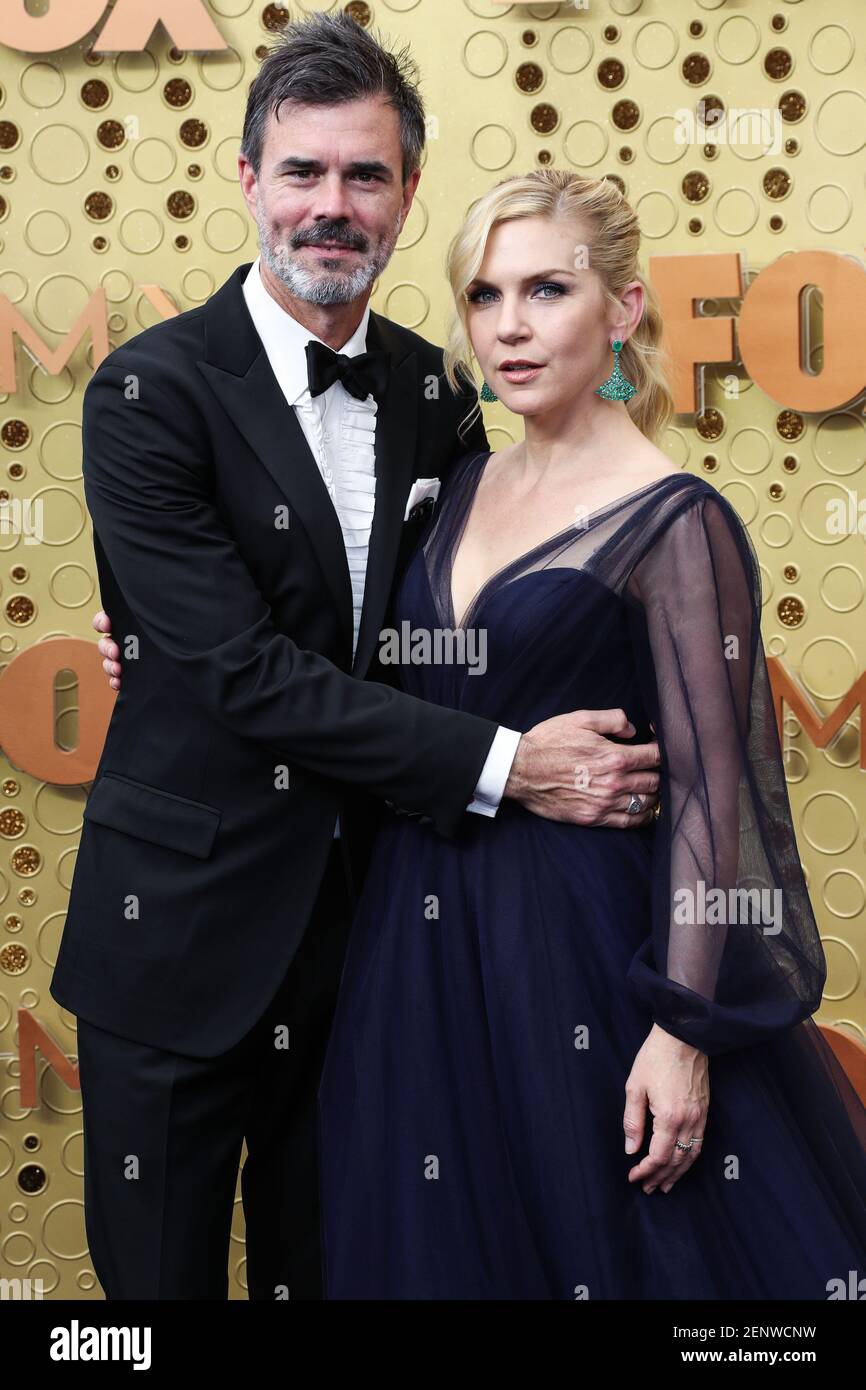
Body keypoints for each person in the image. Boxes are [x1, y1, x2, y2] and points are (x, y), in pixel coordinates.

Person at [59, 15, 660, 1300]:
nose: (331, 207)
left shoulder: (440, 396)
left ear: (404, 197)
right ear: (246, 182)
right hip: (174, 944)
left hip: (381, 948)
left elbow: (461, 629)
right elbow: (241, 672)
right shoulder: (146, 395)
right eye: (303, 171)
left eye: (364, 176)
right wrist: (511, 764)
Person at [315, 168, 866, 1299]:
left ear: (618, 311)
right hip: (416, 940)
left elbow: (717, 798)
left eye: (546, 290)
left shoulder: (677, 520)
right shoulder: (453, 486)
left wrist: (682, 1029)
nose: (508, 326)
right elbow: (357, 683)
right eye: (483, 295)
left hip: (579, 953)